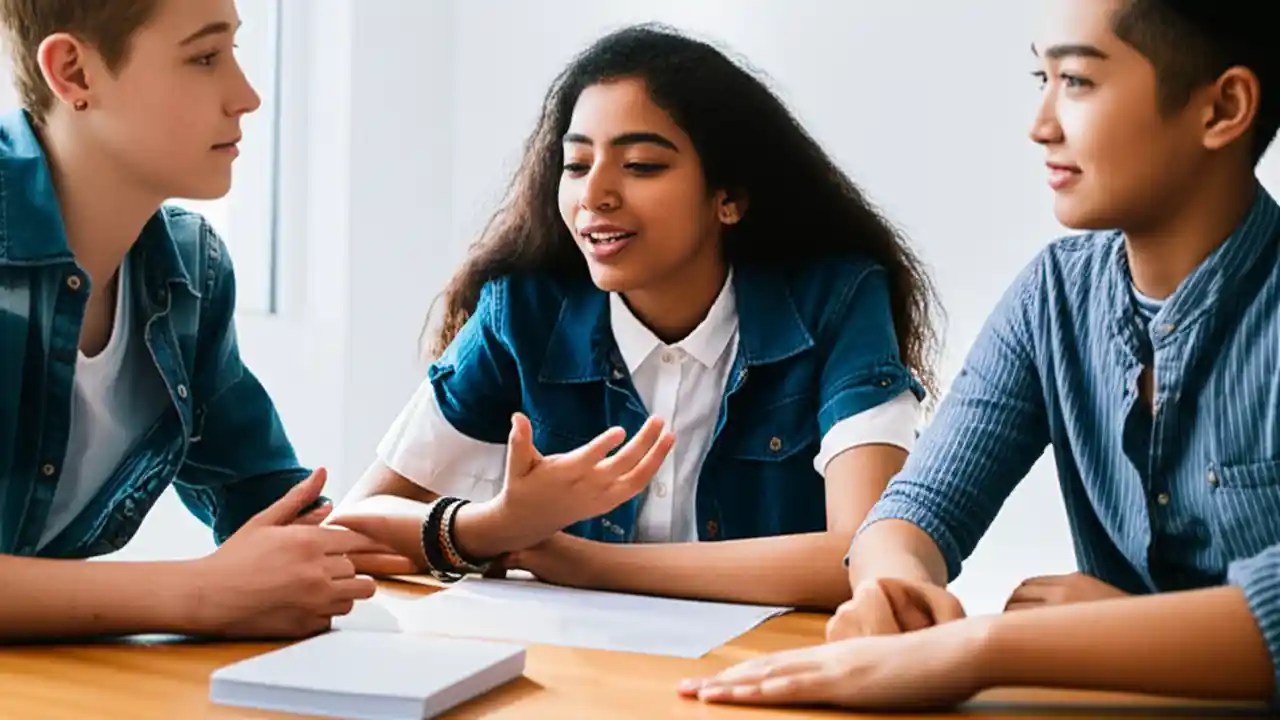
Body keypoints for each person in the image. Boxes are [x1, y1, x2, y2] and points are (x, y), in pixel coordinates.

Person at [681, 0, 1280, 708]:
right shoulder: (1053, 295)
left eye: (1080, 83)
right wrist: (892, 588)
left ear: (1224, 108)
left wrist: (979, 648)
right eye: (1042, 78)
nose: (1041, 125)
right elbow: (913, 510)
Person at [332, 24, 939, 610]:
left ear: (729, 197)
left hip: (761, 677)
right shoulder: (523, 312)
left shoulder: (834, 301)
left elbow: (869, 555)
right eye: (575, 165)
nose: (594, 194)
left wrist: (581, 562)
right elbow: (356, 524)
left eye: (641, 165)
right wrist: (496, 524)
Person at [0, 0, 385, 640]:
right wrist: (194, 592)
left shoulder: (189, 272)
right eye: (204, 57)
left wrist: (488, 532)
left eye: (234, 50)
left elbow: (280, 518)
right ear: (74, 73)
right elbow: (219, 586)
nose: (248, 96)